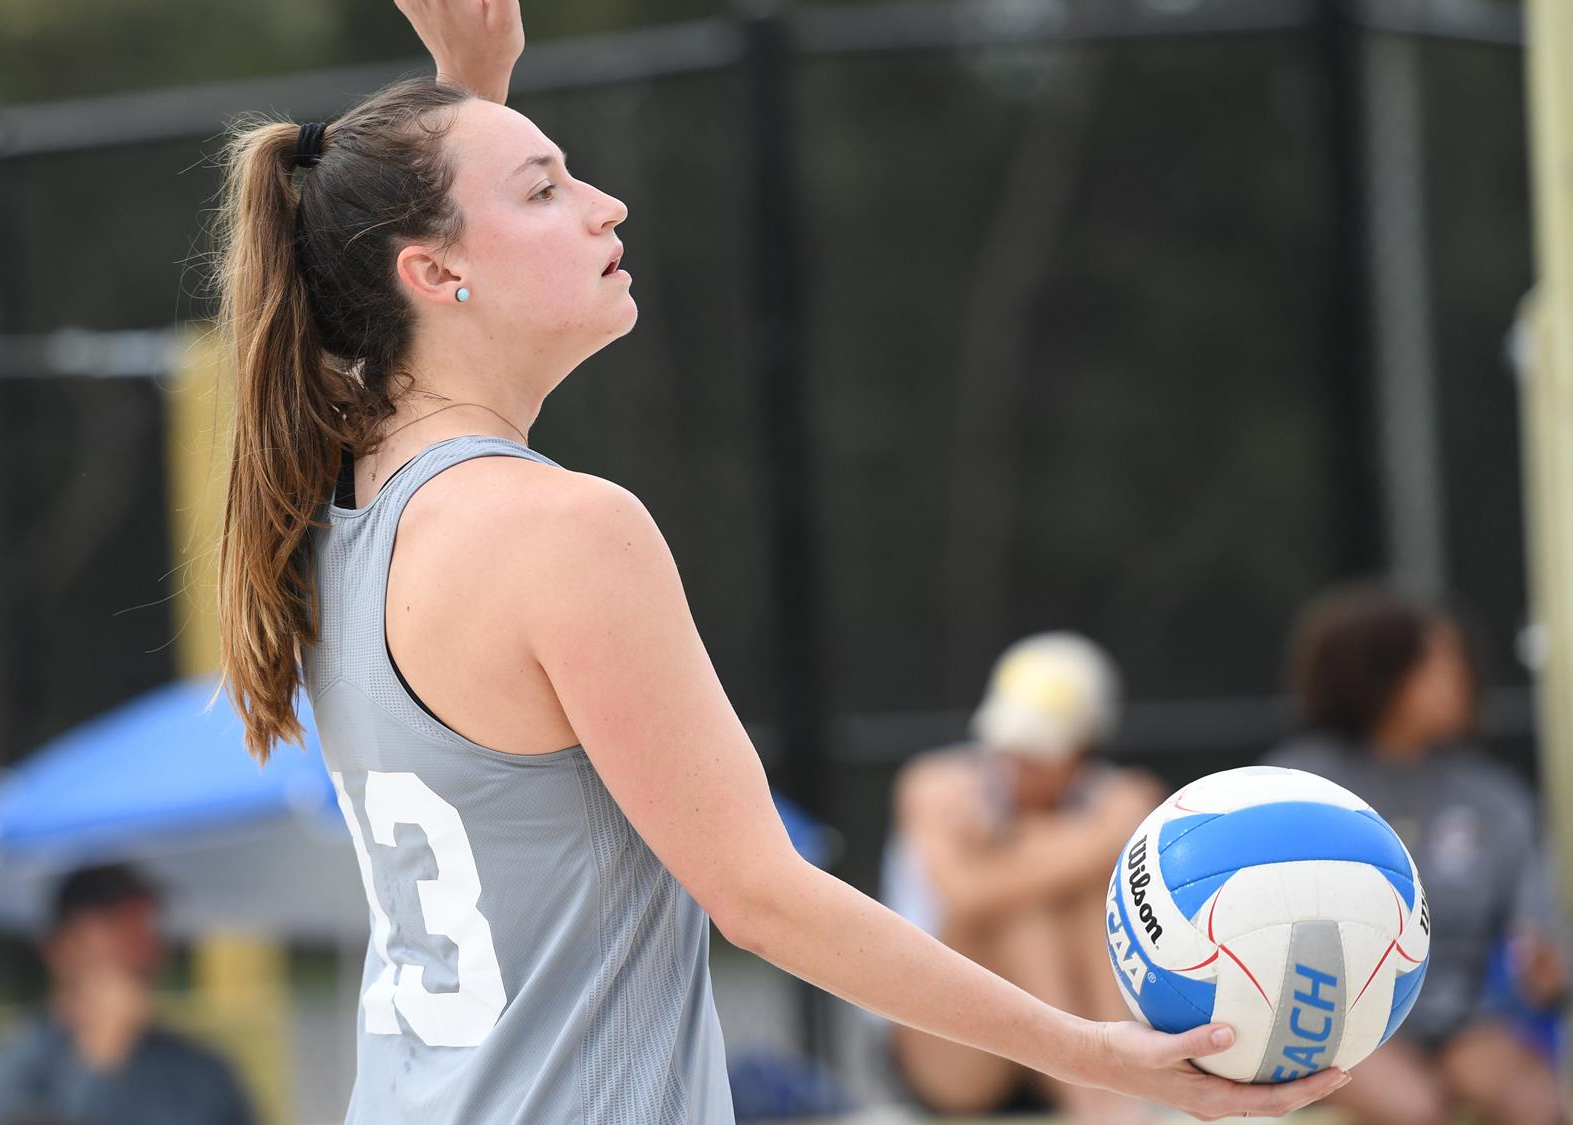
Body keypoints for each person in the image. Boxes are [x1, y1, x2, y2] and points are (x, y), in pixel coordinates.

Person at [209, 1, 1346, 1119]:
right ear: (430, 271)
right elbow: (761, 899)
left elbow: (401, 316)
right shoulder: (561, 530)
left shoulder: (331, 505)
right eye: (547, 187)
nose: (605, 206)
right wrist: (1102, 1057)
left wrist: (473, 99)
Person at [1261, 583, 1566, 1125]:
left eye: (1459, 662)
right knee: (1415, 1108)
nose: (1460, 681)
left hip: (1461, 1022)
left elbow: (1538, 929)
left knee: (1537, 1102)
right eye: (1435, 664)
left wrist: (1543, 964)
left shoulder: (1494, 797)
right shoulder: (1299, 785)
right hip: (1336, 1021)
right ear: (1376, 671)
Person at [880, 632, 1166, 1122]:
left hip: (1062, 1033)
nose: (1018, 767)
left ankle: (1108, 1092)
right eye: (1011, 747)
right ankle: (1106, 1099)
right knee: (1026, 910)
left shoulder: (1121, 796)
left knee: (1081, 898)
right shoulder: (937, 784)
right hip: (956, 1057)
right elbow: (964, 898)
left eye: (1038, 751)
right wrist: (1058, 848)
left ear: (1083, 748)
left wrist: (1015, 850)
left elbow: (978, 885)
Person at [0, 864, 256, 1125]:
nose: (139, 944)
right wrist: (100, 1063)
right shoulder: (15, 1067)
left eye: (146, 925)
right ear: (60, 948)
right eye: (116, 925)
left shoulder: (202, 1071)